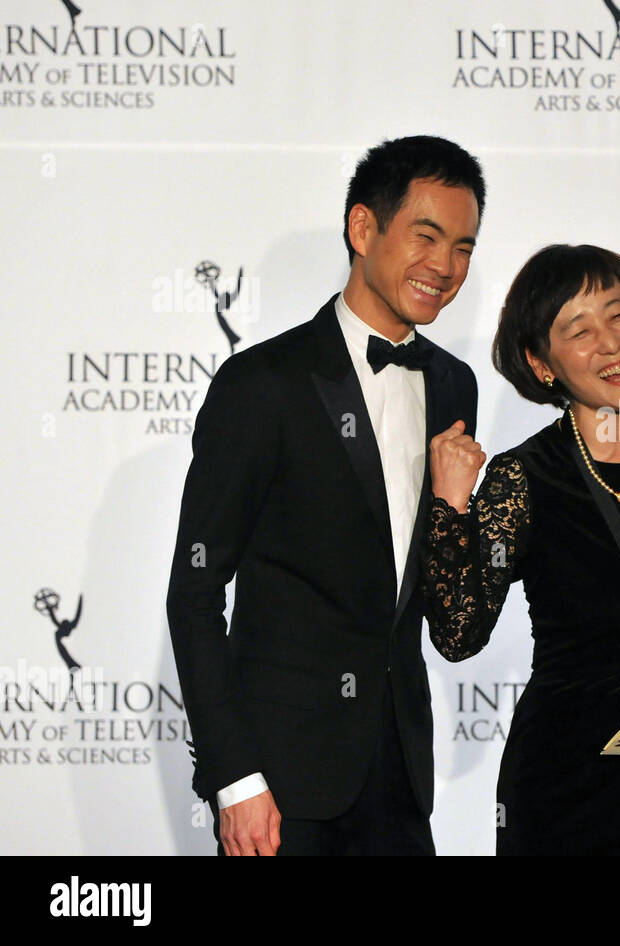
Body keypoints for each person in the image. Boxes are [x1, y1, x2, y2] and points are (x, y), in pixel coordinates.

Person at [166, 135, 485, 855]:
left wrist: (454, 509)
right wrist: (236, 777)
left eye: (464, 247)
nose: (445, 267)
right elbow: (193, 591)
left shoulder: (453, 384)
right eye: (426, 236)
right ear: (363, 228)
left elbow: (425, 588)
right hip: (280, 784)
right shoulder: (264, 384)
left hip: (401, 777)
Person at [422, 244, 620, 855]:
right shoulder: (523, 477)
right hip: (565, 787)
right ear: (541, 364)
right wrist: (448, 506)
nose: (611, 343)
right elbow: (458, 635)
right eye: (579, 329)